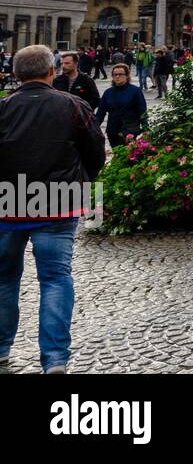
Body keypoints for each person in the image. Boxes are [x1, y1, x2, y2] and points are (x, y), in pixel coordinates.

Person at [0, 45, 107, 374]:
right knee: (56, 279)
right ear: (52, 72)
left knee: (4, 281)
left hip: (8, 203)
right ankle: (55, 359)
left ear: (17, 75)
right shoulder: (73, 105)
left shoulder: (2, 108)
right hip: (58, 202)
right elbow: (96, 153)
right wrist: (83, 182)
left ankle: (2, 349)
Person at [94, 63, 148, 146]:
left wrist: (145, 128)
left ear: (127, 76)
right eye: (115, 74)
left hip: (130, 129)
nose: (117, 77)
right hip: (112, 130)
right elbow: (100, 112)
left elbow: (142, 110)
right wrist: (94, 128)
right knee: (116, 154)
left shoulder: (135, 91)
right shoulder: (108, 92)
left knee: (128, 155)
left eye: (120, 74)